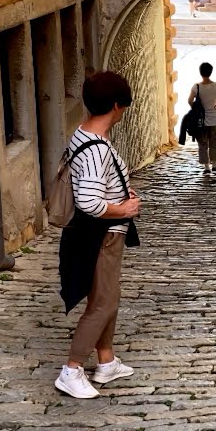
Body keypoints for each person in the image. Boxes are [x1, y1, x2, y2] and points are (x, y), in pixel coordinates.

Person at [55, 71, 142, 400]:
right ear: (117, 106)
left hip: (101, 234)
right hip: (101, 236)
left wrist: (121, 190)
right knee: (103, 304)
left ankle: (106, 361)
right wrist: (125, 209)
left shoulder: (84, 134)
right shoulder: (97, 150)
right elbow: (91, 202)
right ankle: (72, 369)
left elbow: (93, 185)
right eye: (123, 107)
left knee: (106, 298)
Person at [188, 62, 216, 176]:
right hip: (215, 120)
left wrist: (196, 109)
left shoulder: (196, 86)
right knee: (214, 143)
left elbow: (189, 100)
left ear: (200, 72)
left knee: (203, 145)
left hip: (201, 122)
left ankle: (206, 167)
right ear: (211, 72)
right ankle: (214, 165)